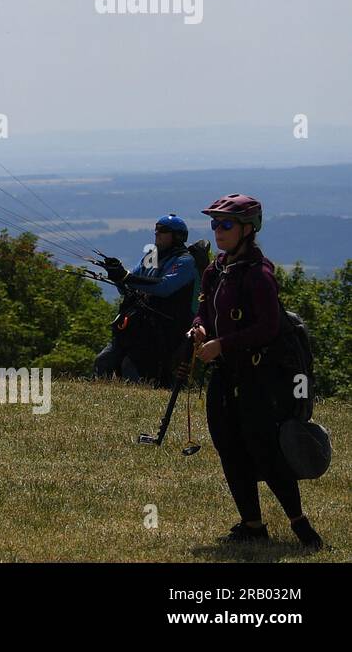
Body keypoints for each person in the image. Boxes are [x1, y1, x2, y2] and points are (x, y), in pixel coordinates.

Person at [191, 194, 322, 549]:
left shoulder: (259, 275)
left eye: (227, 224)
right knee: (229, 448)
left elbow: (267, 327)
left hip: (258, 378)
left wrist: (223, 344)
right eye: (215, 224)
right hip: (224, 375)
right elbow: (204, 311)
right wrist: (200, 329)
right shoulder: (214, 270)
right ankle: (252, 525)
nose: (218, 230)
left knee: (264, 449)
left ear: (248, 229)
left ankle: (300, 525)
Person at [93, 214, 201, 387]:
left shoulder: (186, 262)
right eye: (156, 229)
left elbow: (164, 287)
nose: (157, 233)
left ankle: (133, 405)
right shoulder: (152, 257)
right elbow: (128, 286)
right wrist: (117, 274)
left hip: (166, 331)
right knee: (103, 361)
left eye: (163, 230)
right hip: (139, 327)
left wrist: (126, 277)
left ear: (178, 236)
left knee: (131, 366)